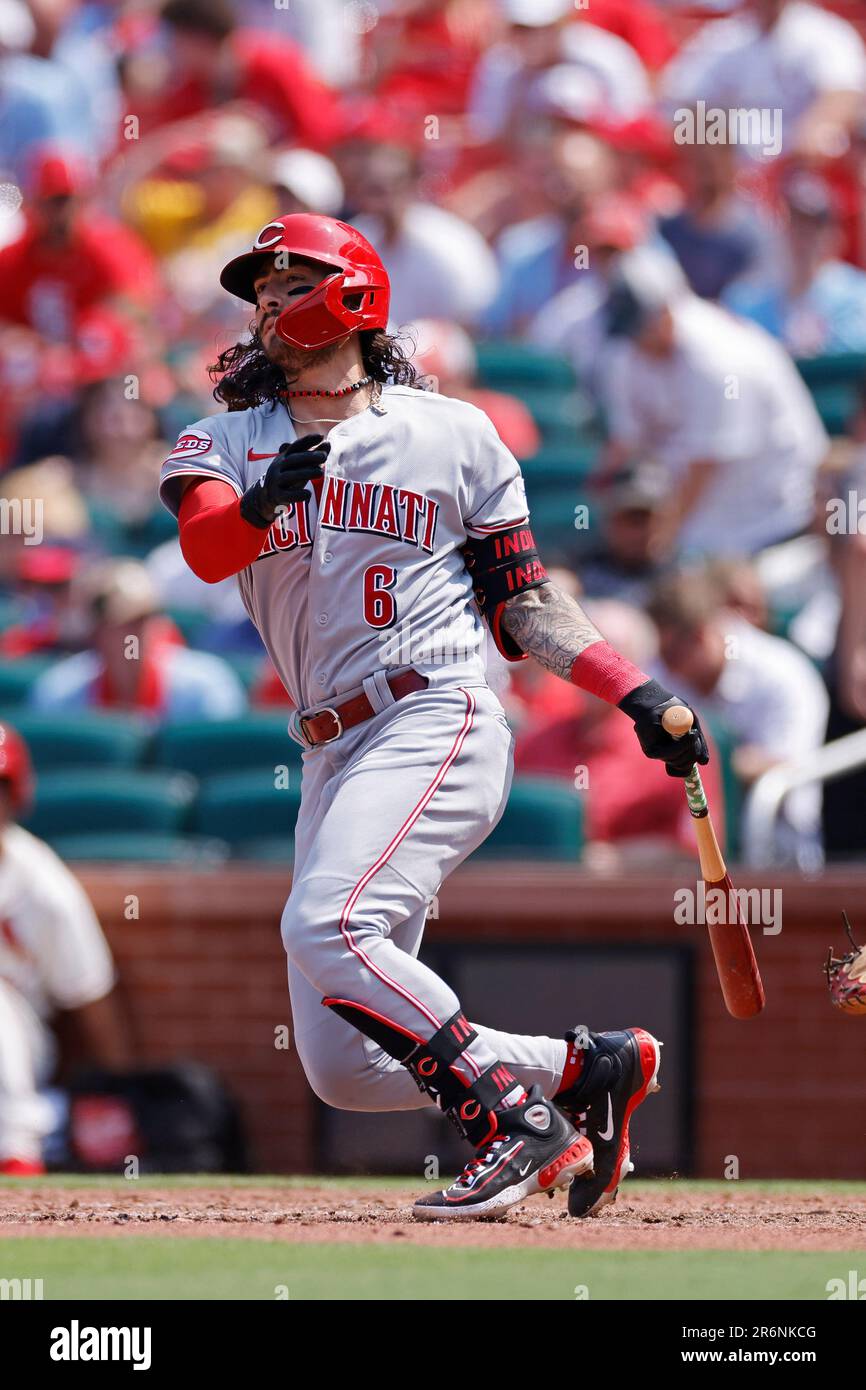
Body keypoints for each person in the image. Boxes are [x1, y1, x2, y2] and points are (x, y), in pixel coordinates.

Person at [158, 212, 711, 1220]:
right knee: (345, 1065)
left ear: (354, 296)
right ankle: (586, 1069)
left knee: (328, 923)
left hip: (435, 709)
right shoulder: (228, 436)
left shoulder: (453, 431)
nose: (270, 305)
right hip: (331, 744)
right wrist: (258, 505)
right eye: (261, 291)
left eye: (291, 284)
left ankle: (514, 1125)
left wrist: (636, 691)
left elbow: (521, 602)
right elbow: (203, 548)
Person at [600, 247, 828, 558]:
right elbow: (627, 443)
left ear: (665, 311)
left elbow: (706, 464)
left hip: (769, 516)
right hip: (705, 518)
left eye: (642, 325)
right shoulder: (630, 352)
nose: (636, 337)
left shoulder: (717, 359)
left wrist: (662, 541)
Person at [0, 721, 130, 1174]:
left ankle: (17, 1160)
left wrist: (119, 1096)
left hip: (21, 1030)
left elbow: (88, 993)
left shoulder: (43, 884)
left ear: (15, 796)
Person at [647, 569, 829, 868]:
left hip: (776, 845)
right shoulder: (661, 669)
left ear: (700, 635)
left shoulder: (782, 673)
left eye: (672, 653)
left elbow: (791, 768)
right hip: (682, 838)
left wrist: (709, 760)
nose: (666, 664)